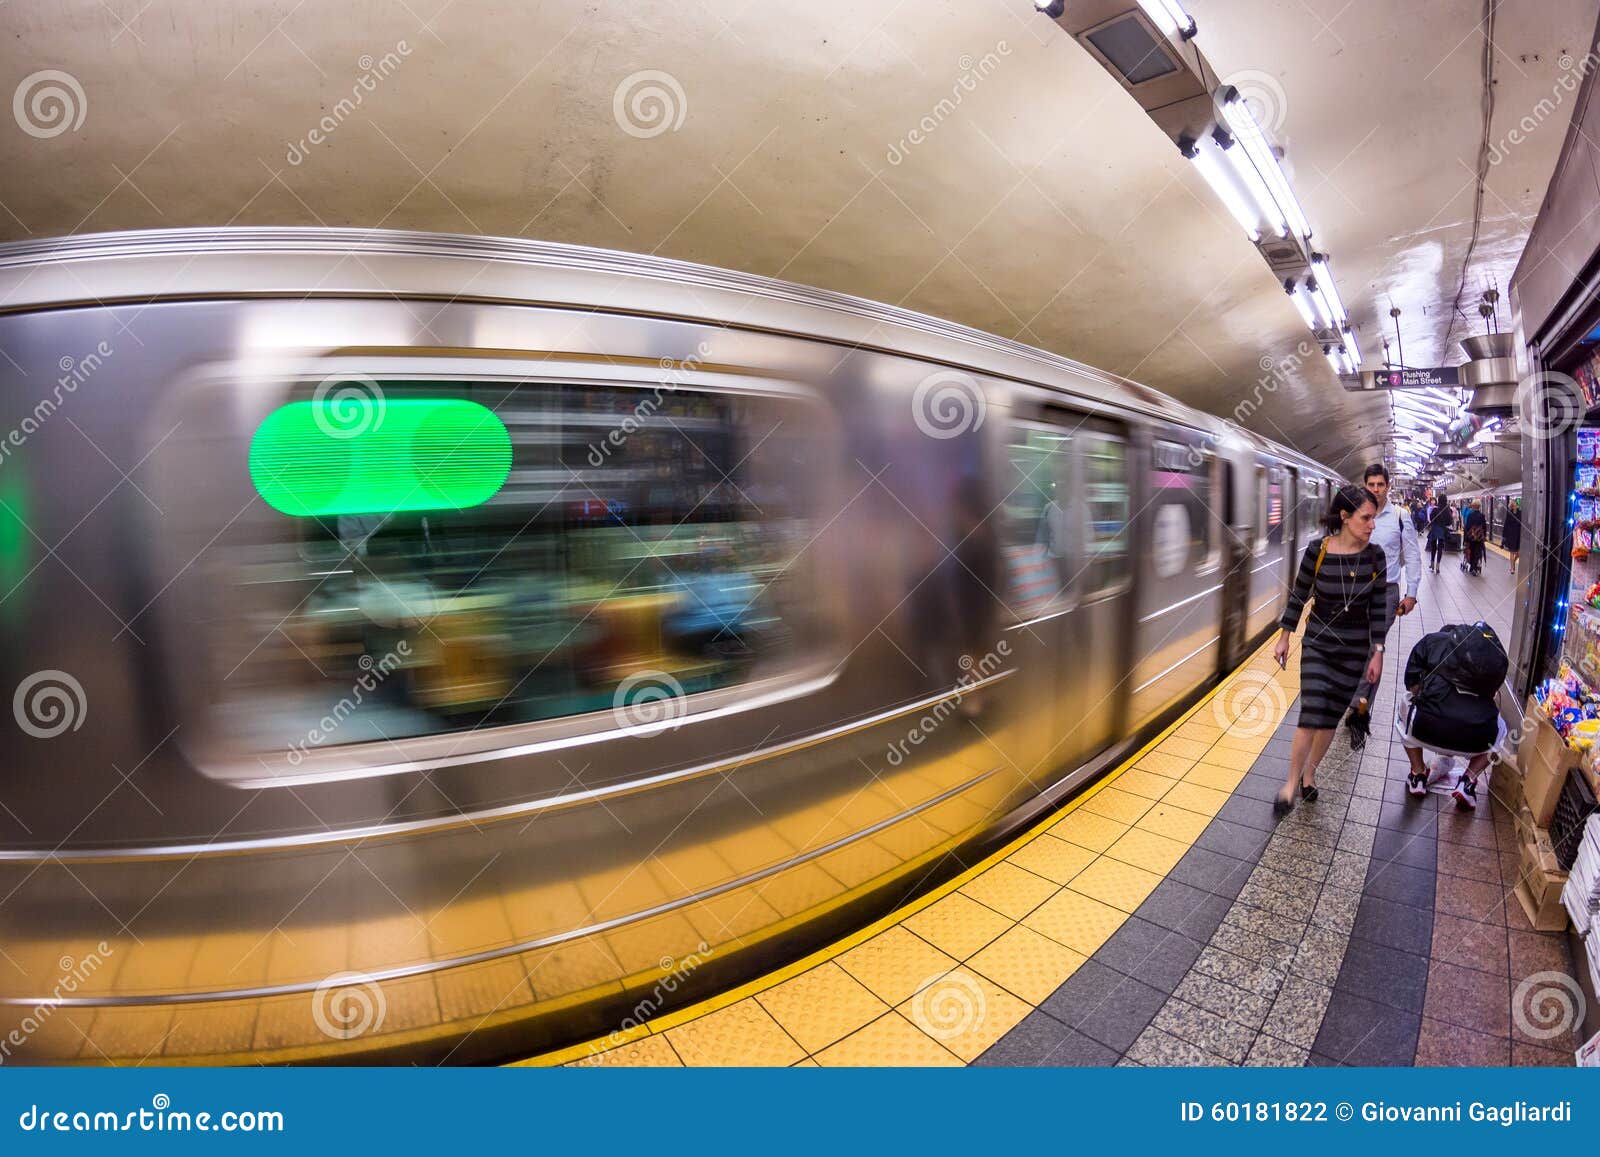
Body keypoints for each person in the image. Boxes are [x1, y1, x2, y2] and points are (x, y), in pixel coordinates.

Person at [1271, 484, 1389, 817]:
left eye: (1374, 518)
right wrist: (1285, 637)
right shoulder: (1317, 551)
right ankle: (1290, 784)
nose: (1372, 525)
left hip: (1354, 650)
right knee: (1312, 712)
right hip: (1318, 644)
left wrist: (1377, 651)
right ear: (1345, 516)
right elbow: (1299, 595)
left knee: (1330, 719)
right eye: (1365, 518)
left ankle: (1310, 775)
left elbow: (1379, 608)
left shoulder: (1375, 556)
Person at [1396, 621, 1509, 809]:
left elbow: (1412, 687)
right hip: (1477, 739)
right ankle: (1468, 782)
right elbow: (1492, 698)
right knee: (1502, 729)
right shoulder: (1491, 662)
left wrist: (1432, 689)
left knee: (1405, 701)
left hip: (1424, 729)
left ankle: (1417, 774)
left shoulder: (1431, 643)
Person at [1425, 498, 1452, 573]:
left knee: (1433, 546)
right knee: (1440, 548)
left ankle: (1432, 563)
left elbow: (1431, 519)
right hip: (1442, 530)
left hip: (1434, 529)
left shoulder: (1435, 509)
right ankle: (1438, 566)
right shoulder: (1447, 510)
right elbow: (1449, 522)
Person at [1462, 499, 1488, 576]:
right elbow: (1484, 527)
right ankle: (1475, 567)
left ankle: (1472, 567)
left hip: (1471, 537)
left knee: (1472, 551)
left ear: (1473, 506)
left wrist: (1466, 538)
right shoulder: (1482, 516)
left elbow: (1467, 527)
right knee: (1478, 552)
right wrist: (1484, 536)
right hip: (1479, 537)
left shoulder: (1470, 515)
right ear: (1479, 506)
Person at [1502, 499, 1522, 572]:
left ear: (1516, 505)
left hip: (1519, 535)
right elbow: (1506, 524)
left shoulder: (1520, 512)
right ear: (1511, 506)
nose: (1514, 506)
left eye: (1514, 504)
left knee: (1519, 553)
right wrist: (1504, 535)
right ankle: (1512, 568)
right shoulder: (1509, 513)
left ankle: (1513, 563)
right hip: (1511, 535)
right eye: (1512, 505)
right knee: (1512, 552)